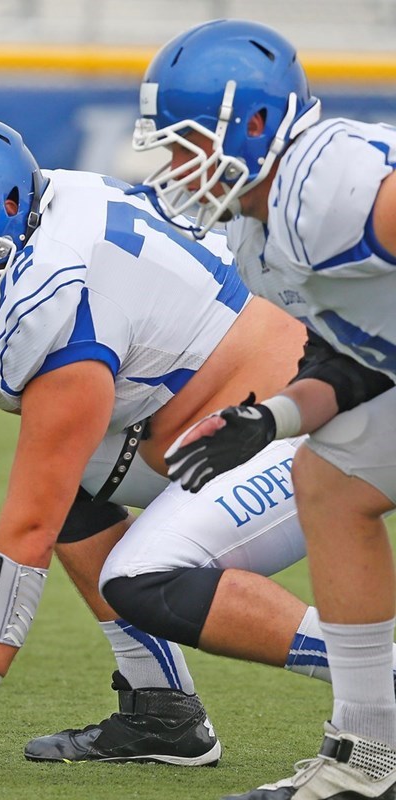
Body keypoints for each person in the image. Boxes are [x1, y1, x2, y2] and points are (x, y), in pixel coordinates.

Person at [0, 115, 392, 784]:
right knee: (71, 495)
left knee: (138, 575)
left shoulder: (56, 297)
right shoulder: (51, 203)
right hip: (211, 424)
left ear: (3, 209)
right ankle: (161, 712)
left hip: (289, 428)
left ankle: (381, 673)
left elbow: (24, 527)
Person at [130, 19, 396, 799]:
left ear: (255, 125)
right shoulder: (261, 232)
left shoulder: (332, 184)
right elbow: (351, 363)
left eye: (186, 143)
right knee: (330, 479)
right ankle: (370, 756)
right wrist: (270, 420)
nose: (176, 166)